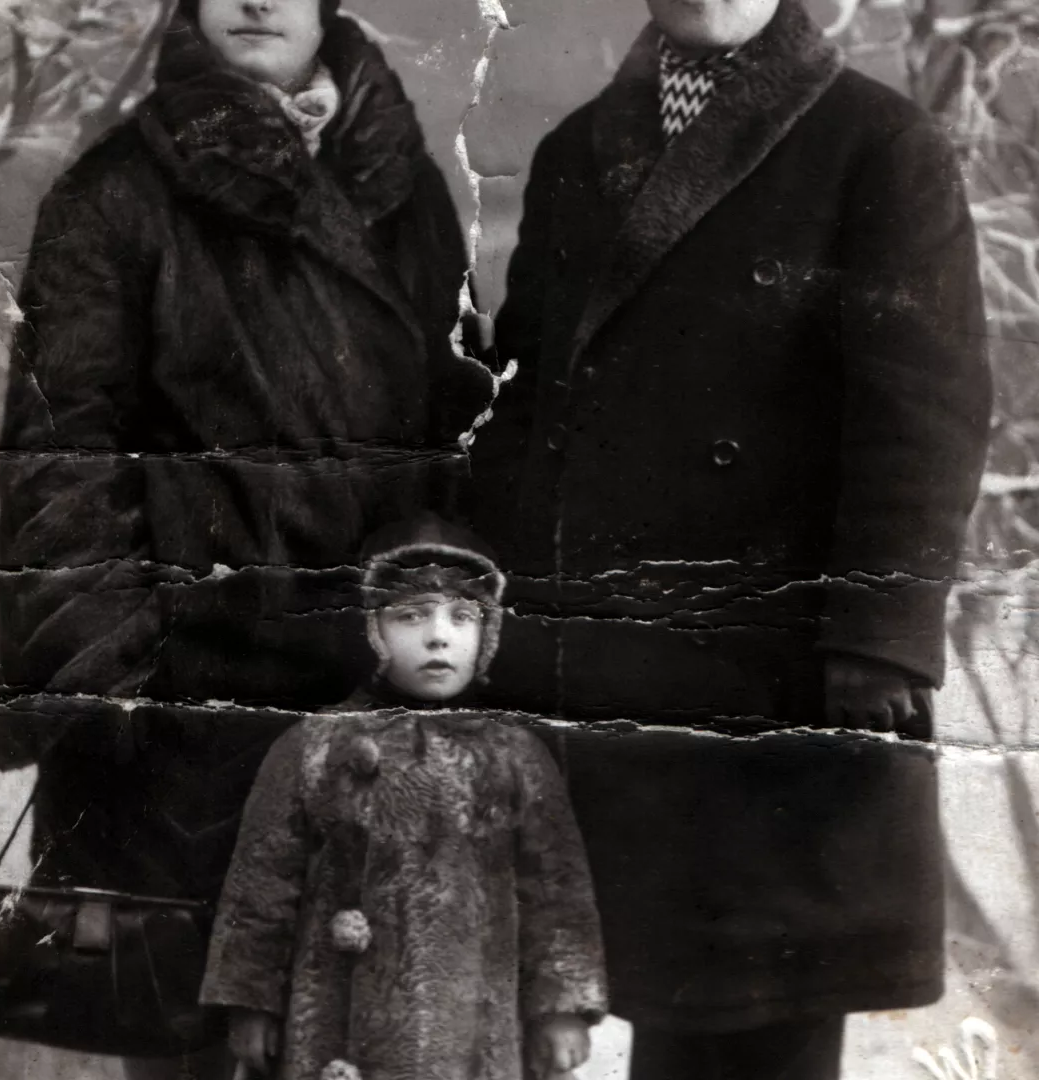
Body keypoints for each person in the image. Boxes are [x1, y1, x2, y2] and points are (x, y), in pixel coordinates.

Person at [472, 0, 992, 1076]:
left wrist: (881, 630)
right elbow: (526, 399)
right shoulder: (578, 150)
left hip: (789, 661)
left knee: (762, 1012)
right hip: (602, 662)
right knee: (622, 988)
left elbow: (923, 412)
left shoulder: (876, 142)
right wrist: (489, 599)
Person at [0, 0, 488, 1076]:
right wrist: (106, 694)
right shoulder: (117, 193)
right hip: (183, 722)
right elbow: (58, 459)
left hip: (369, 696)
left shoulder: (408, 192)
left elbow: (459, 421)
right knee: (197, 1040)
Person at [200, 514, 607, 1080]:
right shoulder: (313, 746)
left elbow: (556, 894)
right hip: (334, 1023)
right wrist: (250, 1003)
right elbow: (262, 886)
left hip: (475, 1027)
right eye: (411, 616)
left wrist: (561, 1009)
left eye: (462, 617)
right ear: (371, 628)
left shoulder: (515, 755)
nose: (438, 636)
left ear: (487, 634)